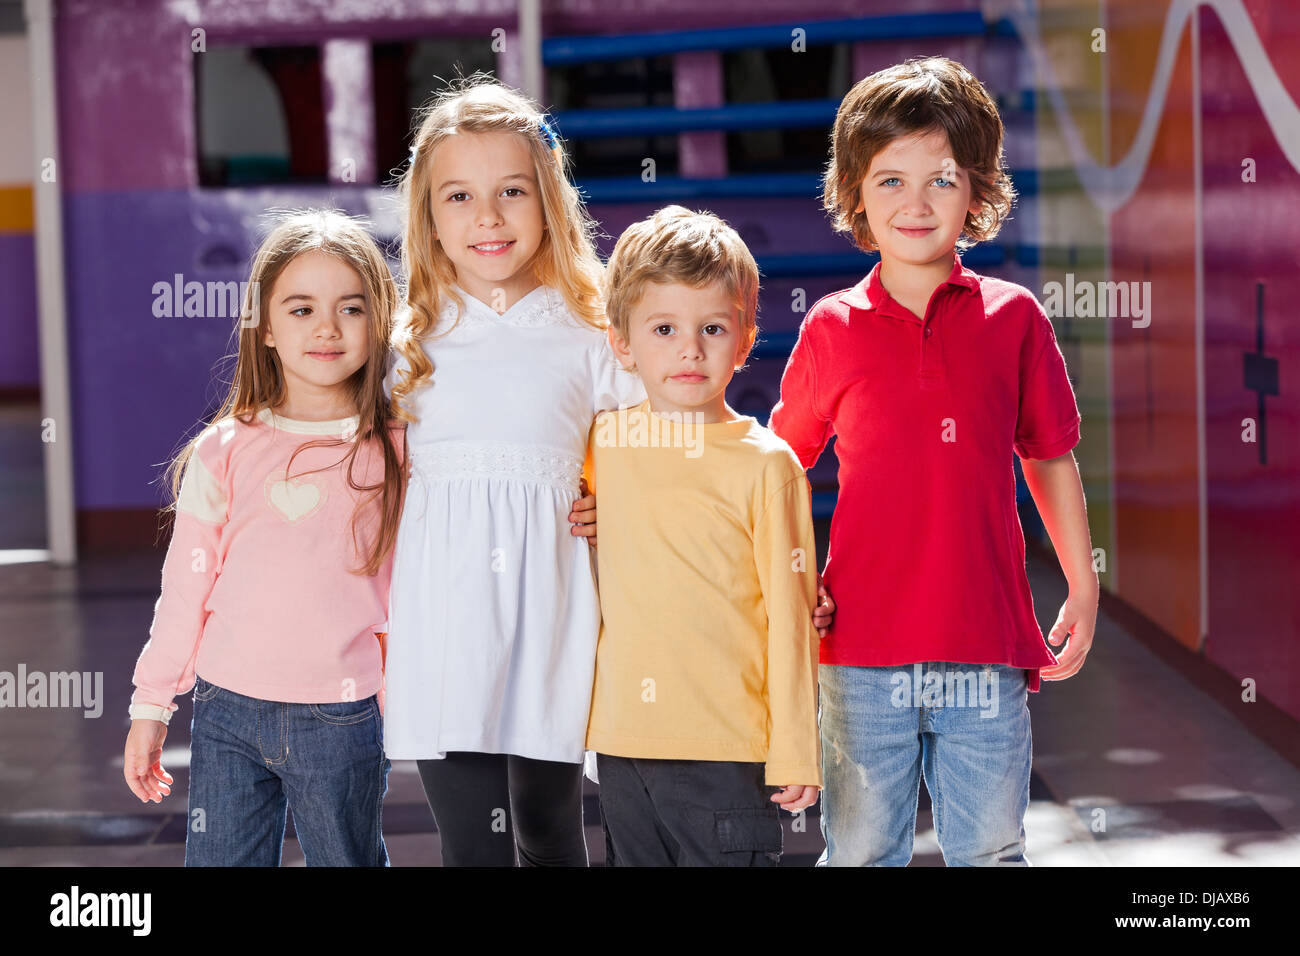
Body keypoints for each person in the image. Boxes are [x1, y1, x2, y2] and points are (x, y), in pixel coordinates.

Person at [770, 56, 1098, 866]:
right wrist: (789, 578)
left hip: (987, 645)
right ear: (855, 194)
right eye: (889, 181)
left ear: (979, 192)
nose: (914, 204)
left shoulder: (1014, 320)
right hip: (857, 656)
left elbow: (1048, 456)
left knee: (991, 851)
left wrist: (1083, 584)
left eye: (941, 180)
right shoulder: (831, 330)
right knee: (858, 854)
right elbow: (774, 470)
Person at [382, 75, 645, 866]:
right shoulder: (407, 344)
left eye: (510, 192)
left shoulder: (592, 331)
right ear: (428, 215)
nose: (487, 218)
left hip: (552, 619)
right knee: (472, 844)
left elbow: (654, 441)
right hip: (447, 628)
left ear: (549, 201)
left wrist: (618, 501)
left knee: (552, 829)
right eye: (458, 196)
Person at [123, 210, 407, 866]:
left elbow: (414, 593)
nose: (327, 328)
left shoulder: (399, 452)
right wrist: (151, 705)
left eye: (351, 308)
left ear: (378, 322)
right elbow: (185, 590)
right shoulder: (223, 450)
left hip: (343, 718)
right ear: (267, 328)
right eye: (302, 308)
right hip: (227, 714)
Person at [584, 206, 824, 866]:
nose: (690, 348)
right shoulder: (604, 442)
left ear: (745, 340)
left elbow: (791, 617)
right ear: (622, 342)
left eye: (712, 328)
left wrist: (797, 746)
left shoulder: (767, 464)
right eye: (664, 328)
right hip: (622, 744)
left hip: (727, 749)